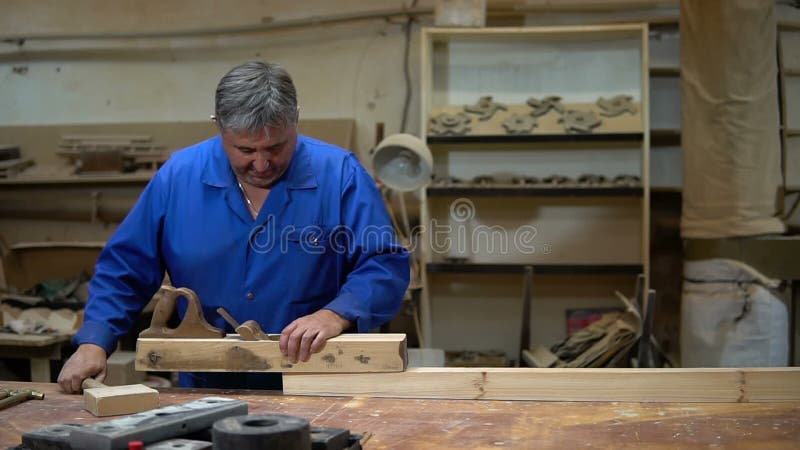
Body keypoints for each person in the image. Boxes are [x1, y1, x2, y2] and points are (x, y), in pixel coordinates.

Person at [57, 61, 410, 392]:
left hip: (318, 379)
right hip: (207, 386)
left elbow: (383, 264)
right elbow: (125, 267)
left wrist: (337, 314)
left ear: (296, 119)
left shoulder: (341, 175)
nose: (261, 163)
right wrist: (94, 342)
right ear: (218, 125)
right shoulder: (178, 178)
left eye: (276, 147)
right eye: (245, 149)